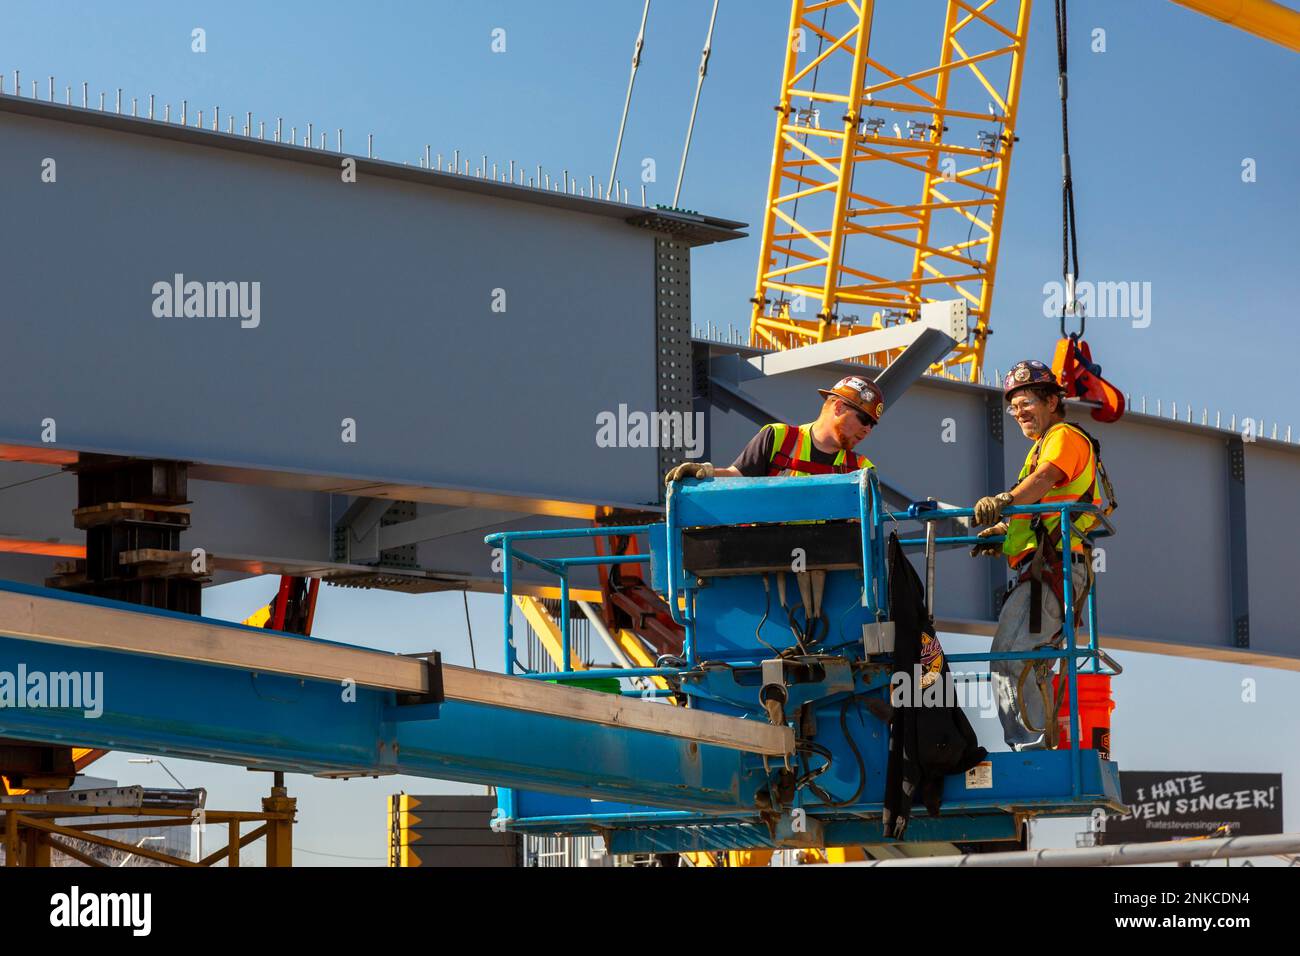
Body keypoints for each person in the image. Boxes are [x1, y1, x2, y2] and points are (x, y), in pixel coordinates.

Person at [970, 359, 1110, 751]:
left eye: (1026, 403)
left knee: (1008, 656)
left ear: (1051, 401)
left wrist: (1004, 501)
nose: (1018, 413)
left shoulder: (1063, 436)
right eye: (1013, 408)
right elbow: (1042, 509)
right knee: (1028, 660)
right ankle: (1041, 744)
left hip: (1055, 568)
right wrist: (1002, 531)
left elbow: (1046, 479)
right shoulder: (1042, 446)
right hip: (1051, 567)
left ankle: (1029, 748)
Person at [663, 375, 885, 483]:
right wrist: (706, 473)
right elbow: (737, 476)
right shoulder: (779, 438)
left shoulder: (862, 469)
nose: (867, 430)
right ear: (838, 407)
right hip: (768, 558)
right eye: (864, 419)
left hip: (830, 565)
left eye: (872, 425)